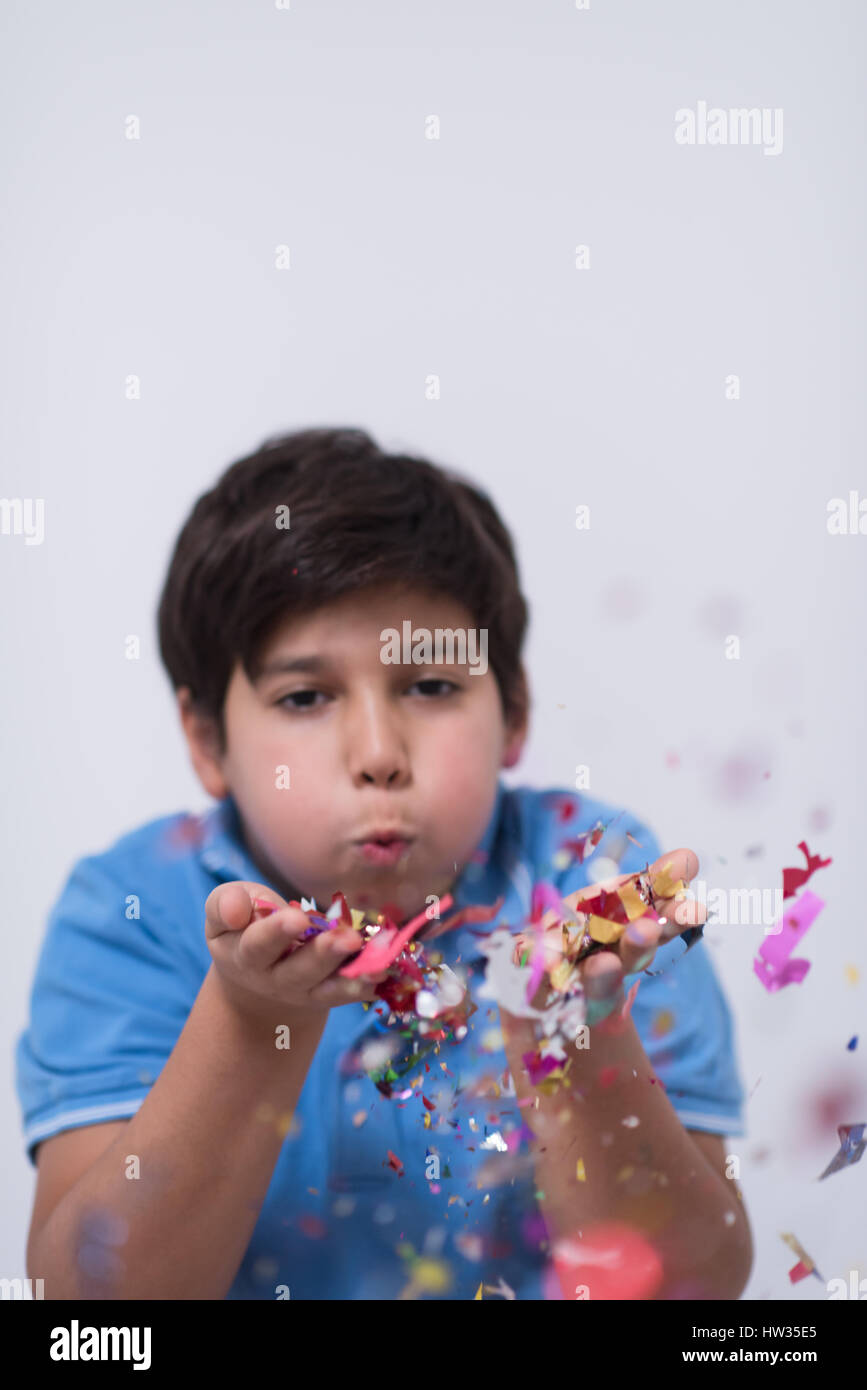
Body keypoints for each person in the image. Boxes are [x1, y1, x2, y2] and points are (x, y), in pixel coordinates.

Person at [16, 427, 752, 1299]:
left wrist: (568, 1036)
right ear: (207, 739)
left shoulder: (593, 893)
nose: (377, 753)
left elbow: (694, 1295)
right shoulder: (131, 909)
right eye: (305, 697)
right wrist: (252, 1022)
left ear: (512, 709)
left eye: (431, 686)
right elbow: (91, 1314)